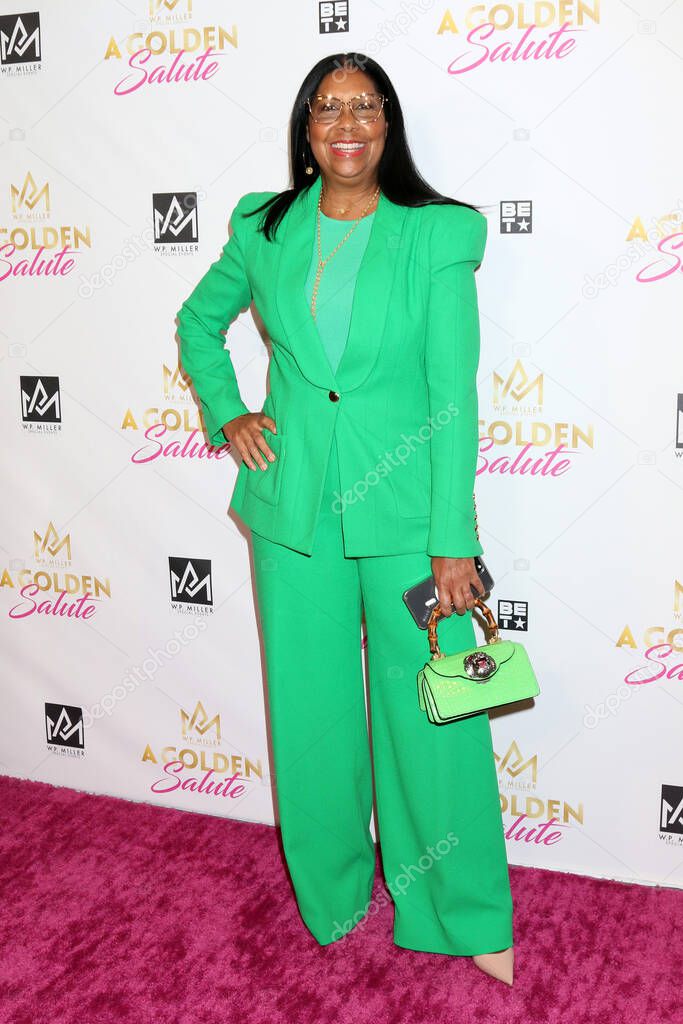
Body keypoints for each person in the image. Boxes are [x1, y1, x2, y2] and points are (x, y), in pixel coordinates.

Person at [176, 51, 514, 986]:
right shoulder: (264, 226)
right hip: (294, 515)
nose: (346, 122)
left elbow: (453, 388)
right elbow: (198, 325)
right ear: (306, 127)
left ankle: (461, 910)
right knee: (314, 714)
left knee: (434, 716)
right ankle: (333, 896)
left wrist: (455, 538)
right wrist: (227, 411)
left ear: (388, 122)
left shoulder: (437, 234)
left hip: (410, 519)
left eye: (364, 105)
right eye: (327, 106)